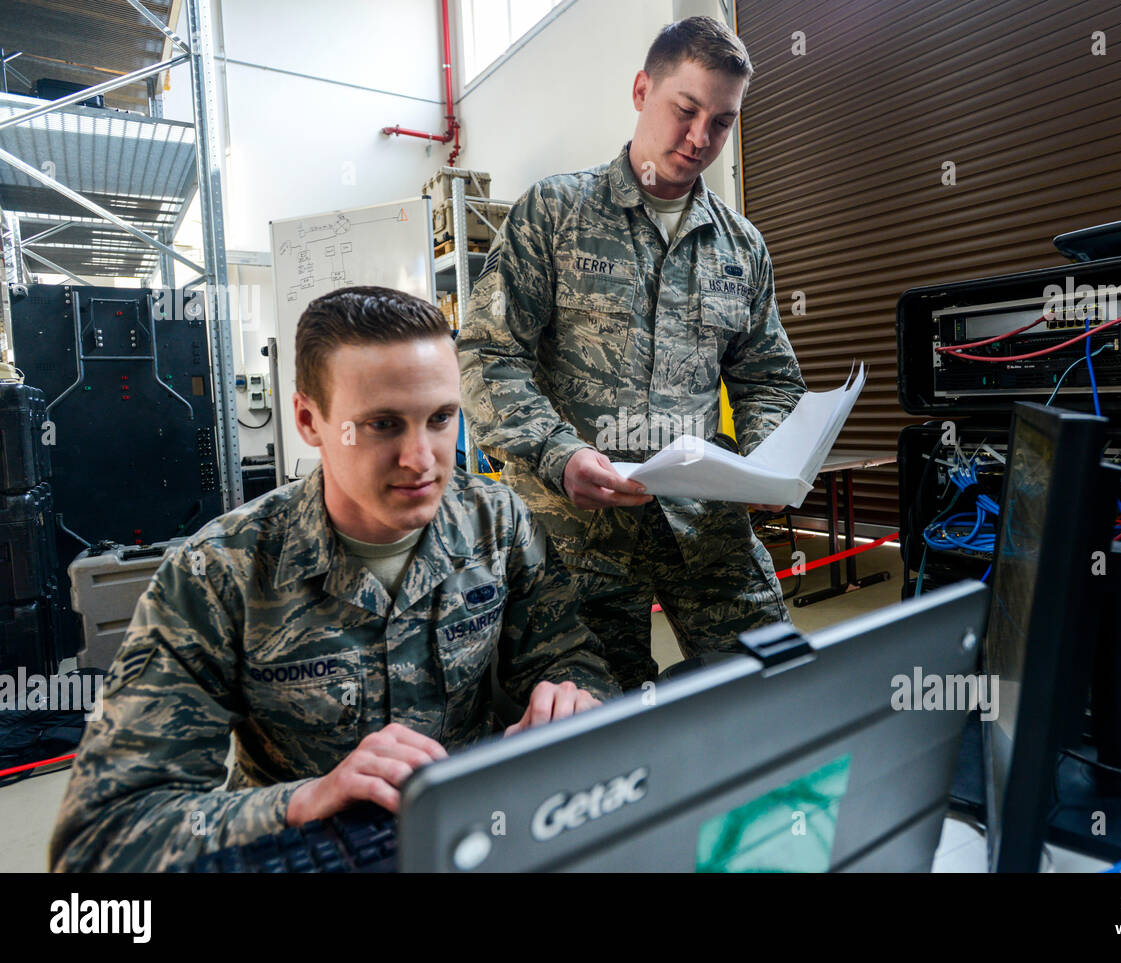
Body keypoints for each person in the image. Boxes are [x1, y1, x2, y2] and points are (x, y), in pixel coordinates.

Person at [49, 286, 618, 872]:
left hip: (470, 841)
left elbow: (568, 656)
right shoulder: (219, 573)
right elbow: (102, 841)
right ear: (308, 420)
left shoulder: (495, 524)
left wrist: (572, 695)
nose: (421, 459)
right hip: (308, 855)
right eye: (382, 424)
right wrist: (303, 800)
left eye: (441, 418)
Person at [459, 16, 805, 691]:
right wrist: (560, 453)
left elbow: (768, 378)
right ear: (643, 89)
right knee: (592, 723)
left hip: (702, 525)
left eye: (723, 122)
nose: (700, 138)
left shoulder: (741, 247)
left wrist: (768, 462)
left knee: (772, 686)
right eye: (686, 110)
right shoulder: (552, 215)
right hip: (574, 532)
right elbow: (487, 355)